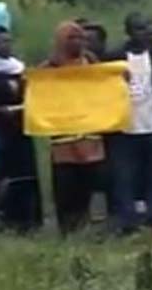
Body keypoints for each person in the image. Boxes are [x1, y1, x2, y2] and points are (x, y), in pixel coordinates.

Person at [104, 13, 152, 234]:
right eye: (138, 29)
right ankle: (127, 220)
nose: (143, 34)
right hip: (124, 125)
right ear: (128, 32)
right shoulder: (114, 56)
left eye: (145, 28)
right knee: (124, 175)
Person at [0, 26, 42, 232]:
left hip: (21, 129)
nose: (6, 45)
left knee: (25, 174)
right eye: (1, 41)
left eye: (9, 41)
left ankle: (26, 221)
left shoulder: (18, 69)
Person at [43, 21, 106, 234]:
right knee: (65, 185)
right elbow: (37, 93)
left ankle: (84, 222)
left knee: (88, 182)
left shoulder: (90, 61)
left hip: (89, 135)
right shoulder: (49, 67)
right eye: (71, 38)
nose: (77, 42)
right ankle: (66, 228)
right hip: (63, 138)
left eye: (80, 38)